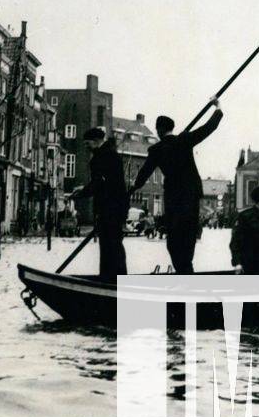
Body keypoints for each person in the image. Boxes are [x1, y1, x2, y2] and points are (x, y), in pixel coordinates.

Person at [129, 97, 224, 273]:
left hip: (173, 198)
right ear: (172, 128)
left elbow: (144, 174)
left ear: (158, 130)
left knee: (174, 241)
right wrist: (217, 107)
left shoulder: (156, 150)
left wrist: (132, 189)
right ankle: (186, 271)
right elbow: (209, 127)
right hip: (191, 196)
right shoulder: (184, 140)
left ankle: (183, 271)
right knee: (188, 239)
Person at [72, 127, 129, 282]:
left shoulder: (101, 158)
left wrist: (83, 191)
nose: (86, 147)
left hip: (108, 210)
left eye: (87, 143)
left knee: (109, 247)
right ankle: (115, 280)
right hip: (115, 210)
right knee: (113, 247)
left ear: (96, 141)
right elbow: (103, 182)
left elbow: (99, 184)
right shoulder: (111, 155)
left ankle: (111, 282)